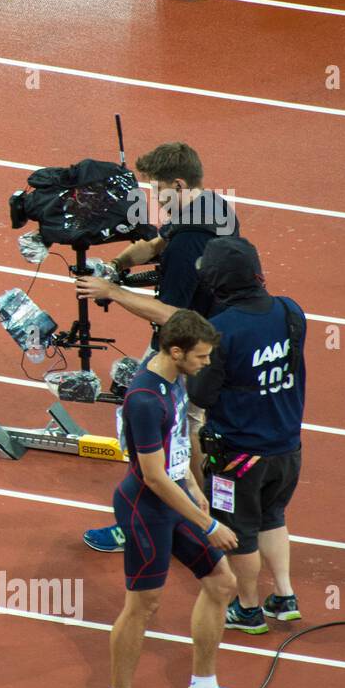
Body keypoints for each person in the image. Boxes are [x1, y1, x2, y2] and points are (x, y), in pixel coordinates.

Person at [75, 142, 240, 553]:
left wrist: (110, 290)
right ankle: (208, 516)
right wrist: (117, 264)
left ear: (179, 184)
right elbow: (156, 246)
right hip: (215, 337)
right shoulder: (213, 207)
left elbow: (173, 316)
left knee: (154, 434)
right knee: (190, 430)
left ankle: (159, 524)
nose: (154, 198)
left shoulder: (188, 244)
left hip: (187, 349)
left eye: (157, 189)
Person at [102, 311, 259, 688]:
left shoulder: (172, 379)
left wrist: (195, 487)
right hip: (145, 508)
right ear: (176, 351)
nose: (207, 363)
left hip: (175, 498)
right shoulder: (144, 399)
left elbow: (175, 449)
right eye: (202, 356)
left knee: (221, 584)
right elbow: (152, 475)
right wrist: (208, 525)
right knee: (143, 606)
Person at [187, 238, 307, 635]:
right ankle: (285, 597)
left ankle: (249, 608)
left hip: (239, 454)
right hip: (288, 448)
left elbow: (202, 394)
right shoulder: (292, 312)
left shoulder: (219, 331)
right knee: (273, 515)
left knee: (240, 530)